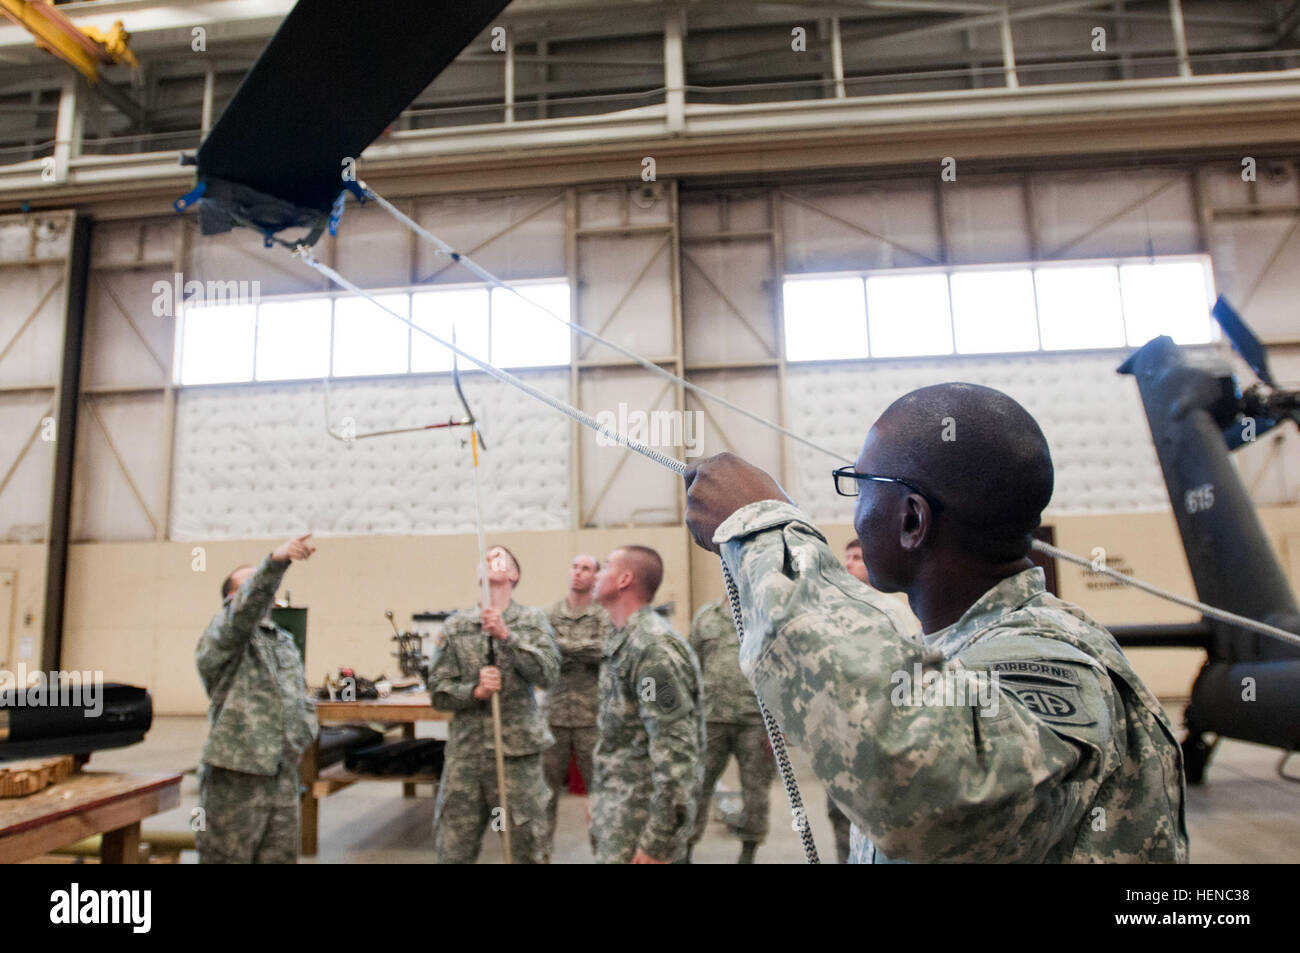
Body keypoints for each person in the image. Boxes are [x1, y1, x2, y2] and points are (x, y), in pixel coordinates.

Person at [683, 382, 1188, 863]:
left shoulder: (1054, 659)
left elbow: (925, 785)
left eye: (861, 488)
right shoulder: (961, 647)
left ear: (911, 520)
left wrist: (760, 528)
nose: (855, 514)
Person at [429, 545, 560, 864]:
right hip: (467, 757)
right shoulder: (456, 626)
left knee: (525, 849)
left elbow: (549, 674)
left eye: (499, 556)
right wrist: (474, 691)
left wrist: (506, 636)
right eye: (484, 557)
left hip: (516, 757)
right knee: (453, 849)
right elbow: (438, 692)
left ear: (514, 575)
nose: (490, 559)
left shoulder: (532, 621)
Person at [195, 533, 318, 864]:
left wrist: (303, 732)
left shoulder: (282, 641)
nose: (267, 589)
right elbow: (245, 609)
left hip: (281, 773)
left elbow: (301, 696)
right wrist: (276, 562)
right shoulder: (224, 636)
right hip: (237, 775)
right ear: (233, 597)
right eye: (253, 585)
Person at [588, 545, 703, 864]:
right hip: (620, 810)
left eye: (605, 566)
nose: (596, 574)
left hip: (640, 823)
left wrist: (658, 841)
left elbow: (676, 752)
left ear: (625, 579)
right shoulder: (625, 638)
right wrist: (600, 802)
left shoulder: (652, 649)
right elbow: (622, 740)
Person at [687, 599, 775, 863]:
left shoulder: (768, 618)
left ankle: (748, 853)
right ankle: (685, 848)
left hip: (756, 721)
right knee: (696, 785)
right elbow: (692, 666)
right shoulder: (706, 616)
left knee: (756, 790)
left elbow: (784, 671)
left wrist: (781, 726)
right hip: (710, 718)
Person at [542, 554, 613, 859]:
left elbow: (606, 651)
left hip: (591, 718)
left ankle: (604, 854)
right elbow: (542, 652)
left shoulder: (604, 615)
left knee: (600, 795)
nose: (578, 573)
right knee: (543, 795)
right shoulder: (550, 613)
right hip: (553, 716)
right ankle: (540, 855)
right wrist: (581, 649)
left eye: (586, 568)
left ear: (596, 576)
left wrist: (563, 648)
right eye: (574, 567)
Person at [823, 537, 874, 863]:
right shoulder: (830, 613)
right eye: (847, 557)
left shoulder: (892, 614)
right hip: (837, 739)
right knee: (839, 819)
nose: (849, 563)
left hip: (874, 740)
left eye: (856, 557)